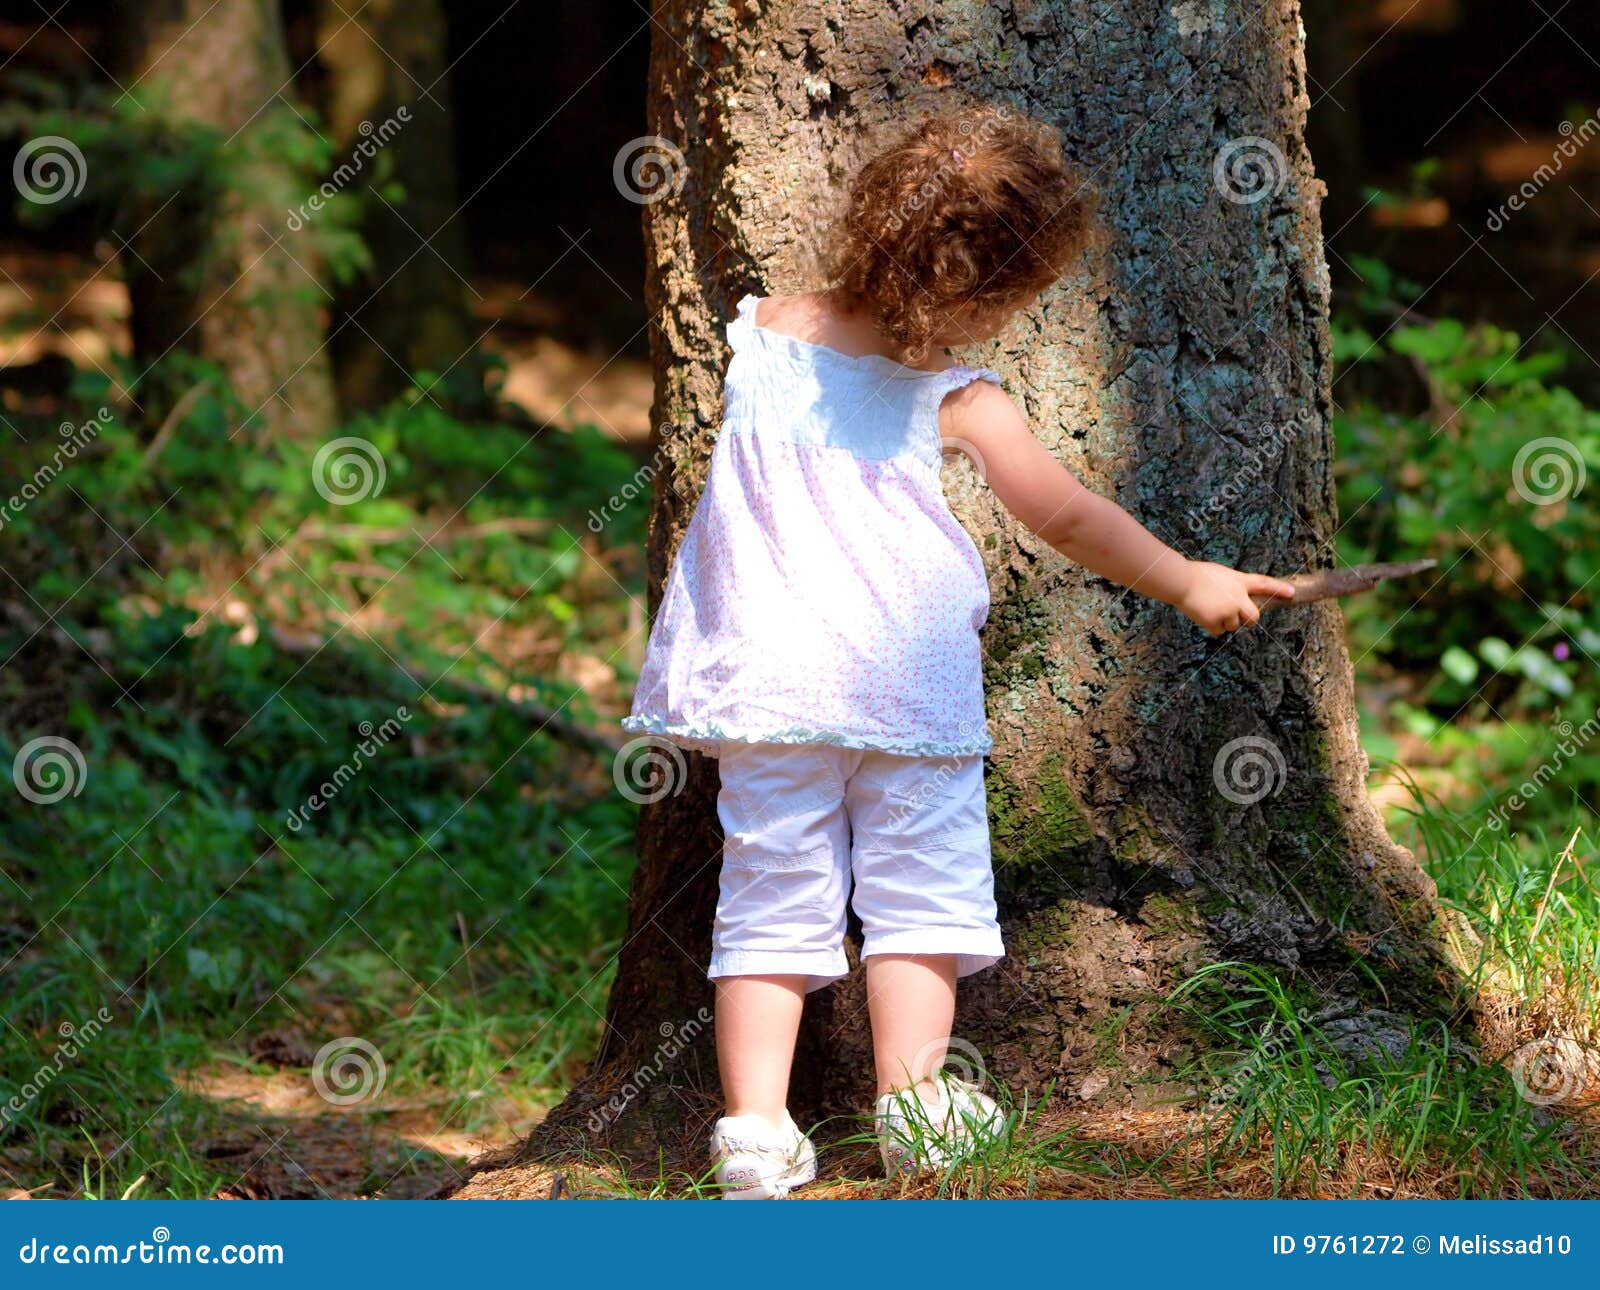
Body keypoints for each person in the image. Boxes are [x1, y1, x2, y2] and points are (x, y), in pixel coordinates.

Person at [622, 105, 1296, 1198]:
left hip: (769, 693)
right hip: (907, 694)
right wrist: (1189, 579)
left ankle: (750, 1127)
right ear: (984, 296)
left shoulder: (764, 336)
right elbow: (1069, 517)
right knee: (920, 899)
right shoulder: (962, 400)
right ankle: (919, 1110)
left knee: (768, 898)